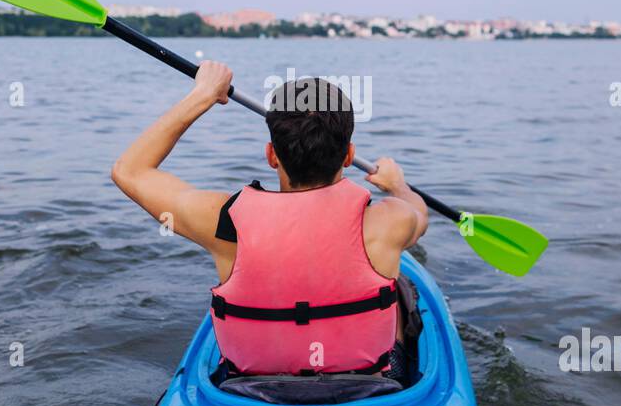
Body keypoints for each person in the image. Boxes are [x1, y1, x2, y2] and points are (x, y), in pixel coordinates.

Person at [110, 61, 428, 383]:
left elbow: (130, 171)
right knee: (401, 287)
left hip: (252, 386)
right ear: (348, 156)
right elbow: (420, 215)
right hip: (366, 385)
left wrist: (202, 95)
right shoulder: (389, 222)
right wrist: (396, 185)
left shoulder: (224, 221)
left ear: (272, 155)